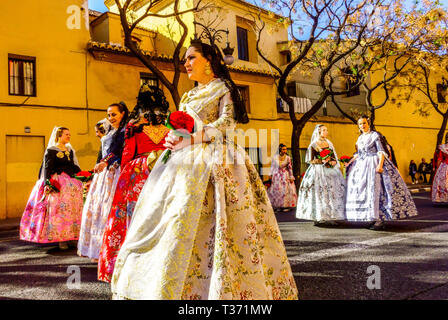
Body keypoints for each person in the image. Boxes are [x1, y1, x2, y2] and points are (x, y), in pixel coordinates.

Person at [111, 40, 298, 300]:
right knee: (174, 218)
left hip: (218, 159)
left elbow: (226, 124)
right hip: (182, 161)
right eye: (185, 60)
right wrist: (173, 138)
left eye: (191, 58)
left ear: (209, 60)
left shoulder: (224, 88)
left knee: (219, 222)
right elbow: (180, 127)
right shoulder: (187, 96)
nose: (186, 63)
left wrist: (193, 138)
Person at [97, 85, 170, 283]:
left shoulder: (134, 126)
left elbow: (128, 154)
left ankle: (133, 263)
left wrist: (125, 174)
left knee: (133, 217)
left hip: (139, 173)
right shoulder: (167, 126)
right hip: (165, 170)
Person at [344, 116, 418, 230]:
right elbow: (358, 154)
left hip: (374, 163)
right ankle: (371, 217)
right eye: (360, 124)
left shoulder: (375, 136)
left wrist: (380, 165)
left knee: (376, 191)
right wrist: (349, 162)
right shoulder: (359, 138)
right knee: (364, 192)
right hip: (361, 166)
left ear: (368, 123)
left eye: (364, 123)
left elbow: (381, 151)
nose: (362, 126)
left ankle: (380, 219)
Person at [78, 103, 129, 261]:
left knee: (112, 209)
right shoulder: (112, 132)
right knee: (99, 210)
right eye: (109, 115)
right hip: (105, 173)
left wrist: (106, 163)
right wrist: (94, 174)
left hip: (117, 171)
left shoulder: (125, 130)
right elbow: (102, 154)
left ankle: (115, 249)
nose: (110, 118)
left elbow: (117, 152)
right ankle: (100, 248)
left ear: (122, 114)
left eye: (114, 114)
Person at [20, 127, 83, 250]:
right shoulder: (51, 150)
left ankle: (72, 237)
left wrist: (84, 175)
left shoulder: (70, 150)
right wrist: (48, 183)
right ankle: (60, 239)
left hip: (71, 185)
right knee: (59, 212)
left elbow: (74, 167)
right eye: (66, 134)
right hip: (58, 183)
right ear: (59, 135)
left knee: (72, 211)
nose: (69, 136)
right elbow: (47, 168)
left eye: (69, 134)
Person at [296, 124, 346, 226]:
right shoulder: (314, 145)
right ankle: (319, 216)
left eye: (326, 130)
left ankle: (332, 215)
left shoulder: (329, 143)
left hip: (330, 170)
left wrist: (333, 162)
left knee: (332, 192)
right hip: (318, 170)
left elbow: (333, 156)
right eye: (324, 130)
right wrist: (322, 160)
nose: (326, 132)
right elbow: (310, 160)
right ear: (319, 132)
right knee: (320, 192)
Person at [267, 144, 297, 212]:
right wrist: (270, 174)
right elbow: (272, 167)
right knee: (278, 190)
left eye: (285, 149)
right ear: (280, 149)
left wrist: (291, 176)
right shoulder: (275, 157)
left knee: (285, 190)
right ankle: (277, 206)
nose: (285, 151)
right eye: (283, 149)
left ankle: (285, 205)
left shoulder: (288, 158)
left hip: (285, 175)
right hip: (277, 175)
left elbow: (290, 168)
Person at [431, 131, 448, 203]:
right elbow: (440, 158)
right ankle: (445, 198)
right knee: (444, 182)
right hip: (445, 167)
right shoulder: (443, 147)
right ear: (446, 137)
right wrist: (437, 168)